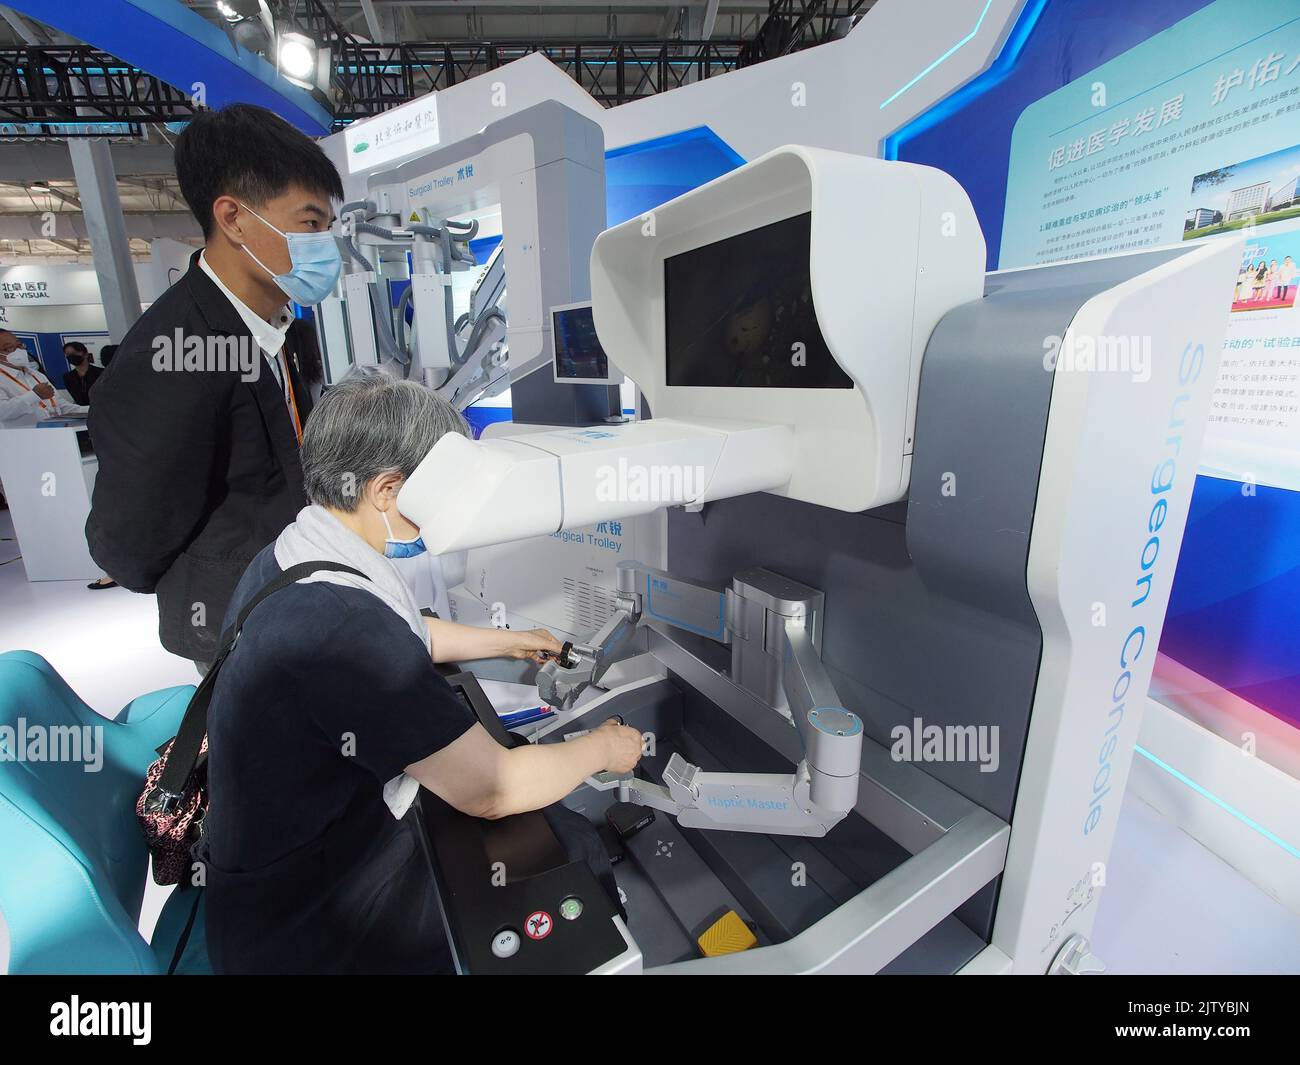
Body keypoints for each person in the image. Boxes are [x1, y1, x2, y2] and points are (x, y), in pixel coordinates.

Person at [200, 373, 645, 974]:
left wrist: (510, 640)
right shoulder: (342, 625)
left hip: (256, 880)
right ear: (387, 490)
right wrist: (603, 748)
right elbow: (493, 789)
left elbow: (403, 631)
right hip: (304, 924)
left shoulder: (293, 554)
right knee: (568, 844)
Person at [86, 103, 344, 672]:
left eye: (329, 226)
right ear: (233, 218)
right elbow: (131, 536)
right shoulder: (171, 357)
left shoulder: (286, 331)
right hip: (237, 627)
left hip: (306, 599)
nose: (326, 244)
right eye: (309, 224)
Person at [0, 331, 89, 426]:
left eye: (19, 345)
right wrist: (34, 395)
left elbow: (61, 405)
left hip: (55, 432)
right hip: (21, 438)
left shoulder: (37, 375)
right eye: (8, 348)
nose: (18, 351)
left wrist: (93, 409)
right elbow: (2, 412)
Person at [61, 341, 103, 406]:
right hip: (82, 411)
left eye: (75, 352)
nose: (72, 356)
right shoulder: (67, 377)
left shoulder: (101, 372)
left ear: (85, 354)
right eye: (68, 354)